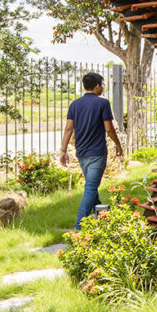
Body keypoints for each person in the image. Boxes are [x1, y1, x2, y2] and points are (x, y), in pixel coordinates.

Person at [59, 71, 124, 229]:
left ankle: (103, 216)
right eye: (102, 84)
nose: (103, 88)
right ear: (97, 86)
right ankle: (79, 226)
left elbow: (68, 128)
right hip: (97, 153)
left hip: (81, 152)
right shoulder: (103, 103)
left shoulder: (75, 104)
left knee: (91, 186)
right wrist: (118, 144)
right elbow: (108, 128)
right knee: (90, 188)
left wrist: (63, 150)